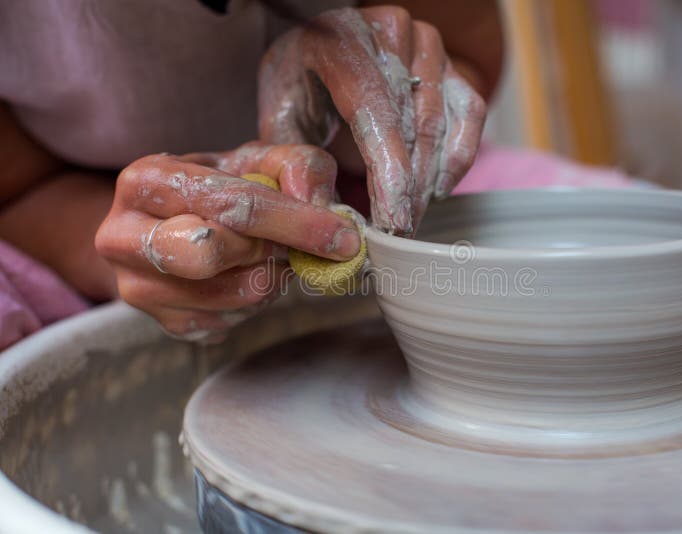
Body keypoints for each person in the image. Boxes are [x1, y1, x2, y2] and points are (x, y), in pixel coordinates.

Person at [0, 0, 630, 347]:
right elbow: (16, 190)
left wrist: (398, 93)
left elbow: (472, 51)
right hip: (67, 206)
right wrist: (128, 250)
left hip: (360, 185)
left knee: (613, 233)